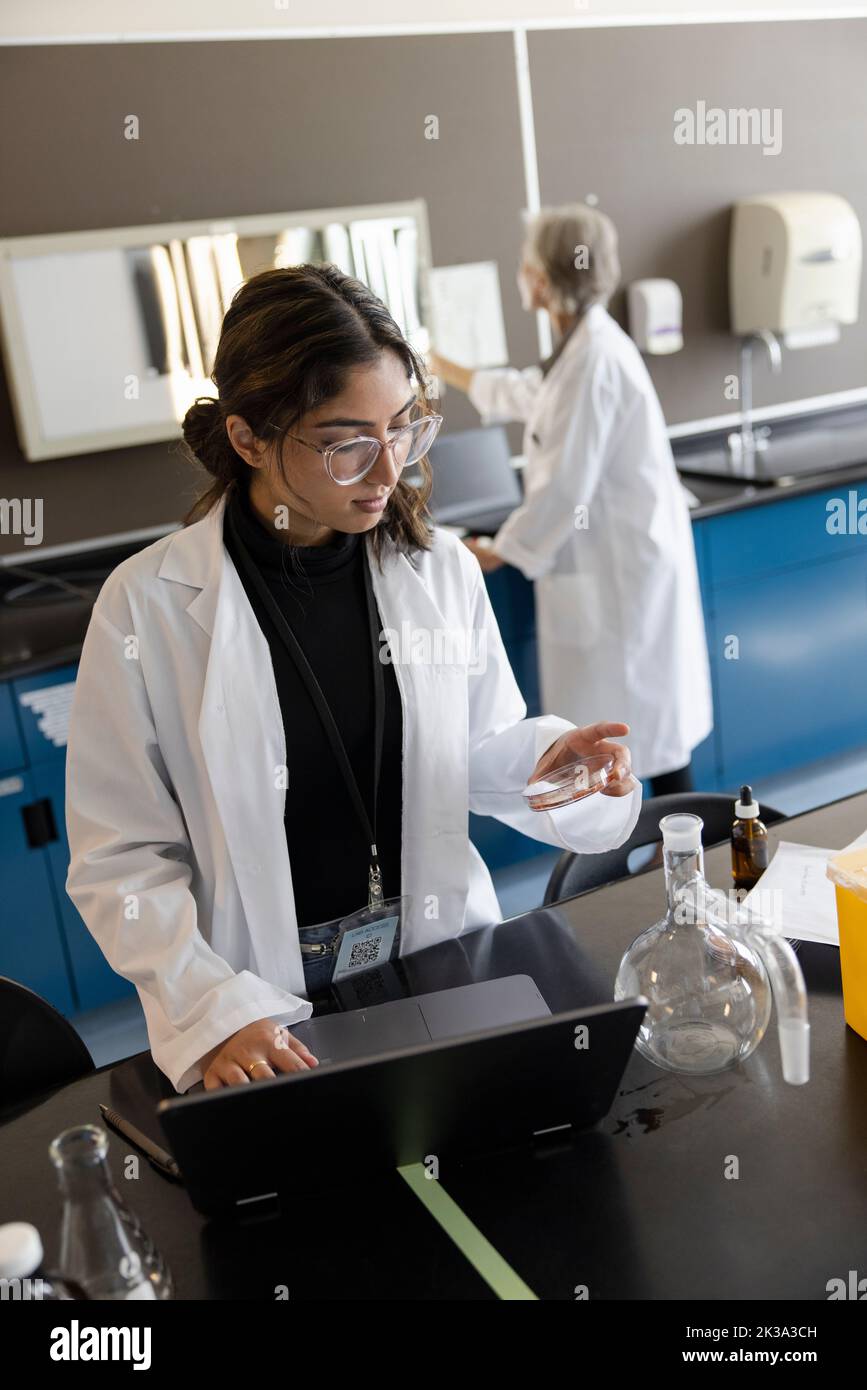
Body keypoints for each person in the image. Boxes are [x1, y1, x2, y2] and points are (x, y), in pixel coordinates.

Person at [65, 263, 641, 1094]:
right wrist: (215, 1010)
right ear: (248, 438)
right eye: (345, 444)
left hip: (436, 970)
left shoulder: (437, 571)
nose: (387, 473)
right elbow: (120, 857)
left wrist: (550, 762)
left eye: (402, 429)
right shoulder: (147, 607)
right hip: (262, 1014)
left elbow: (472, 743)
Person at [429, 203, 713, 795]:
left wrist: (503, 549)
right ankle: (665, 853)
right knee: (638, 736)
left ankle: (670, 857)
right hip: (615, 568)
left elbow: (565, 484)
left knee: (639, 741)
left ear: (541, 278)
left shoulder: (594, 360)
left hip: (620, 578)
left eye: (526, 262)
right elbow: (531, 394)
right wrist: (440, 365)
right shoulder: (584, 349)